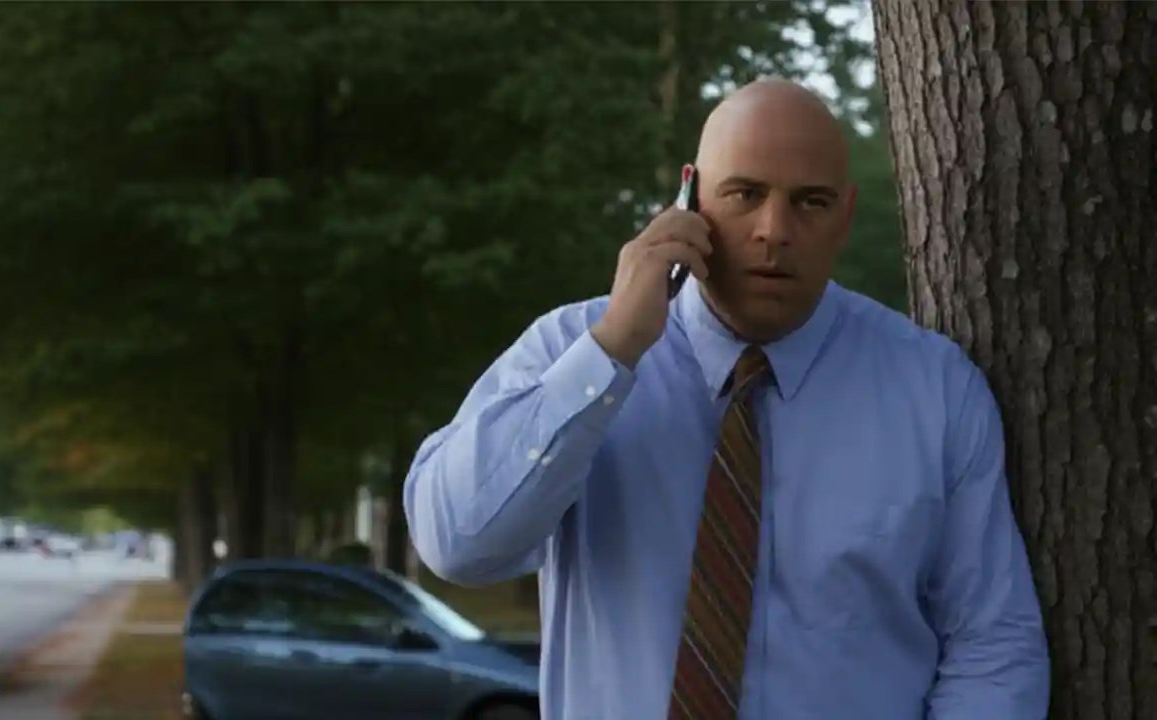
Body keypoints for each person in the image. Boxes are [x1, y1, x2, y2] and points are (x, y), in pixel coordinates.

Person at [403, 78, 1050, 719]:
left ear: (845, 217)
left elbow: (993, 644)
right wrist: (612, 352)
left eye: (811, 202)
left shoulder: (933, 389)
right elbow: (459, 544)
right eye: (744, 194)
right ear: (689, 195)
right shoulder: (571, 350)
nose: (775, 229)